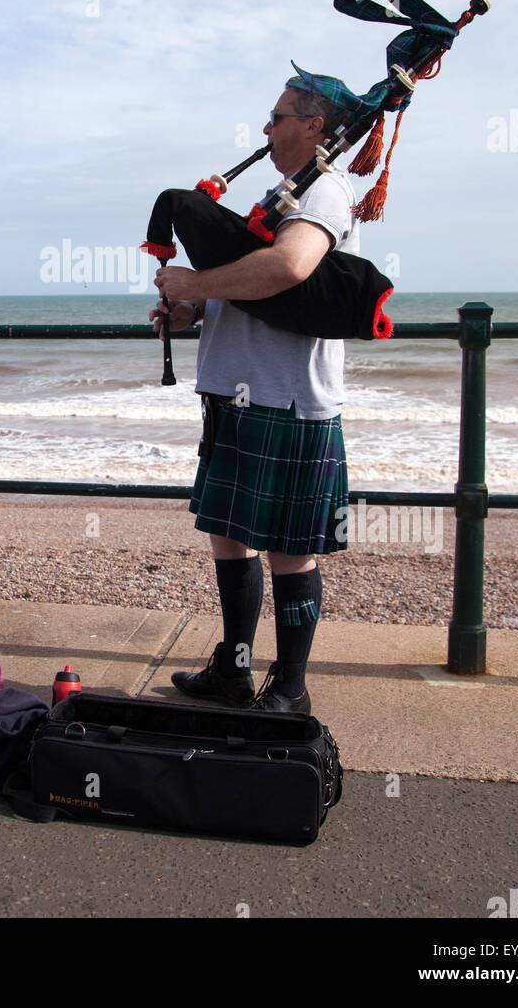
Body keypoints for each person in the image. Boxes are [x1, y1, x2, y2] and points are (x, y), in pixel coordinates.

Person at [152, 71, 360, 713]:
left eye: (277, 117)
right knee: (229, 536)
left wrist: (194, 284)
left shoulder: (326, 190)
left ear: (314, 126)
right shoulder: (280, 193)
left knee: (290, 553)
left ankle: (290, 689)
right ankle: (233, 672)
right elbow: (246, 289)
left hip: (289, 397)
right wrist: (192, 309)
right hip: (231, 392)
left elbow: (289, 267)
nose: (266, 129)